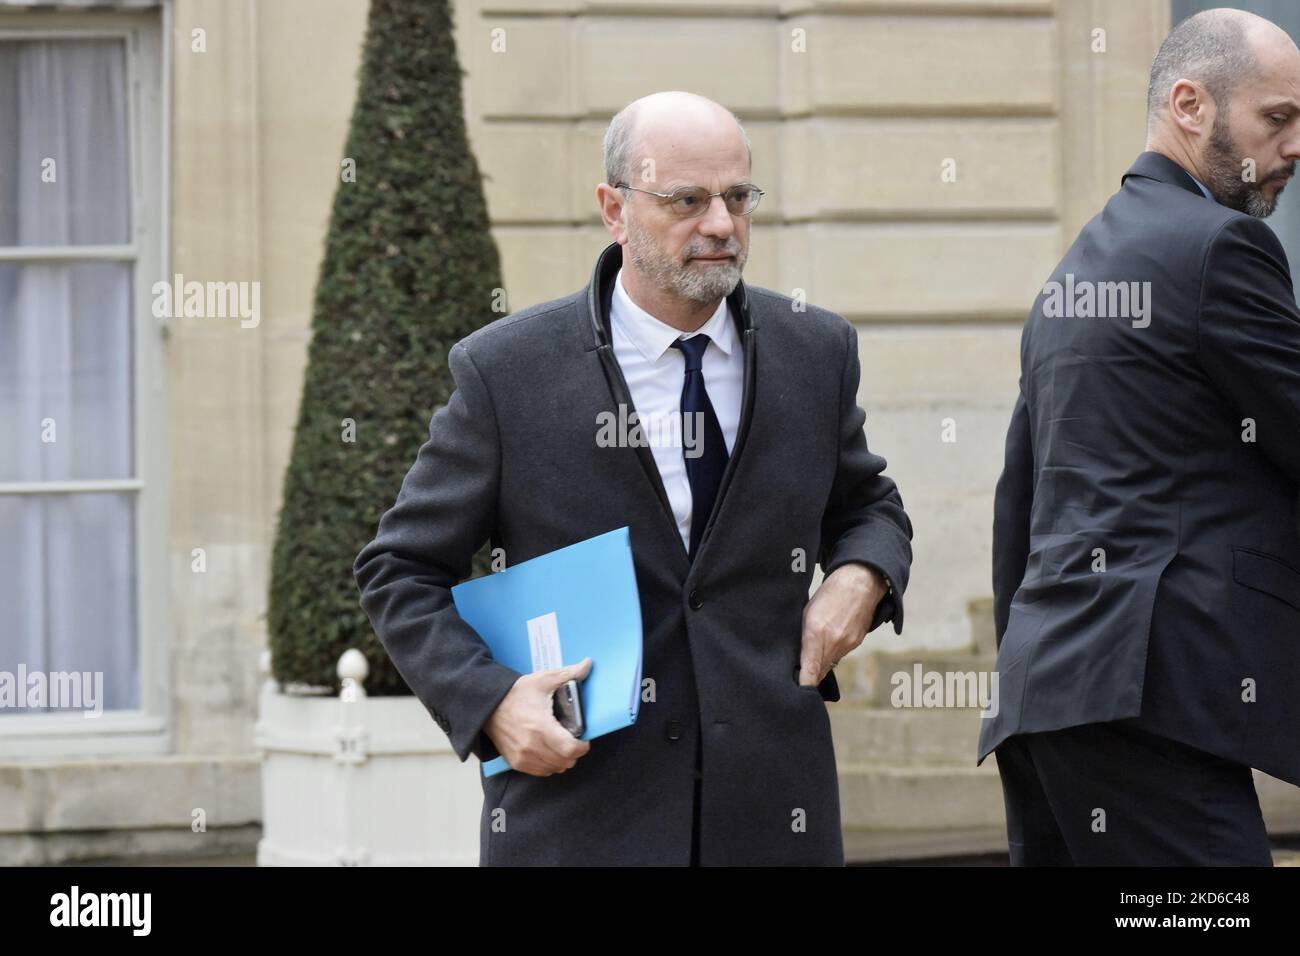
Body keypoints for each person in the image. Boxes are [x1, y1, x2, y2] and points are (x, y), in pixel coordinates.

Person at [354, 90, 912, 865]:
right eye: (686, 200)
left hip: (773, 821)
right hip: (580, 823)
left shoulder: (815, 351)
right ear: (614, 209)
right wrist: (490, 702)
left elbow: (869, 506)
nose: (720, 224)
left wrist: (863, 574)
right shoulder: (507, 373)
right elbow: (400, 570)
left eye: (737, 197)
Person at [979, 8, 1300, 865]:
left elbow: (1024, 502)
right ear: (1190, 106)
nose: (1296, 146)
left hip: (1052, 695)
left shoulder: (1077, 271)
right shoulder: (1219, 249)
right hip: (1149, 698)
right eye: (1278, 119)